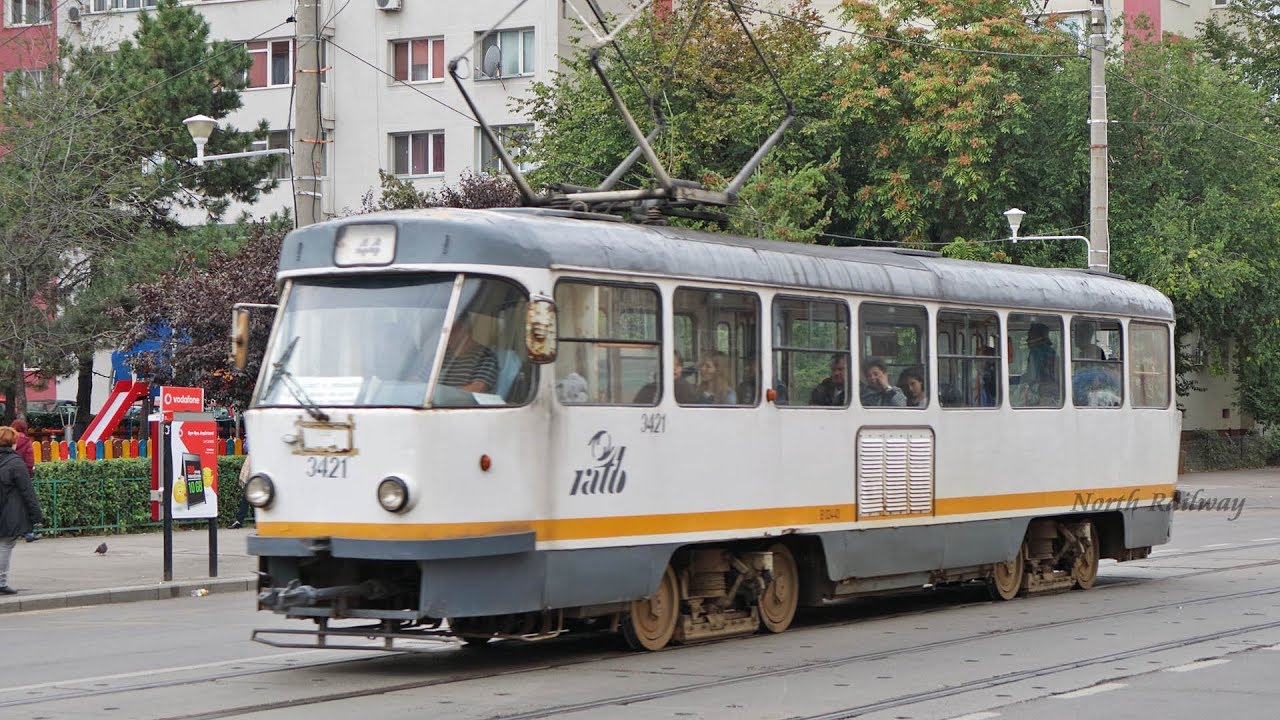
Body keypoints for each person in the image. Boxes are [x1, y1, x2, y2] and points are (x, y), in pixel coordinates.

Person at [0, 425, 43, 594]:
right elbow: (27, 491)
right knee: (5, 545)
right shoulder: (16, 463)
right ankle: (1, 582)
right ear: (12, 443)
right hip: (8, 512)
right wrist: (36, 516)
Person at [438, 314, 498, 393]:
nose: (445, 333)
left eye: (451, 329)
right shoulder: (441, 354)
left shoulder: (485, 357)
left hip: (457, 404)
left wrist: (440, 395)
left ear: (463, 329)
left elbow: (476, 389)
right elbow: (418, 379)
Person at [1018, 322, 1060, 406]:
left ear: (1038, 338)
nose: (1027, 340)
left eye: (1030, 337)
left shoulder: (1036, 351)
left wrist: (1013, 381)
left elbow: (1032, 377)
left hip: (1042, 394)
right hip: (1054, 393)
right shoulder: (1052, 352)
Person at [11, 418, 37, 542]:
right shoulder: (26, 442)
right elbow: (30, 460)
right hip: (22, 475)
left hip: (7, 476)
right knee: (26, 503)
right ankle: (29, 533)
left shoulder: (7, 439)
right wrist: (29, 473)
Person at [230, 458, 251, 529]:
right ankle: (239, 521)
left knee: (247, 500)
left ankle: (239, 521)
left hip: (253, 479)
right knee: (248, 499)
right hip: (253, 479)